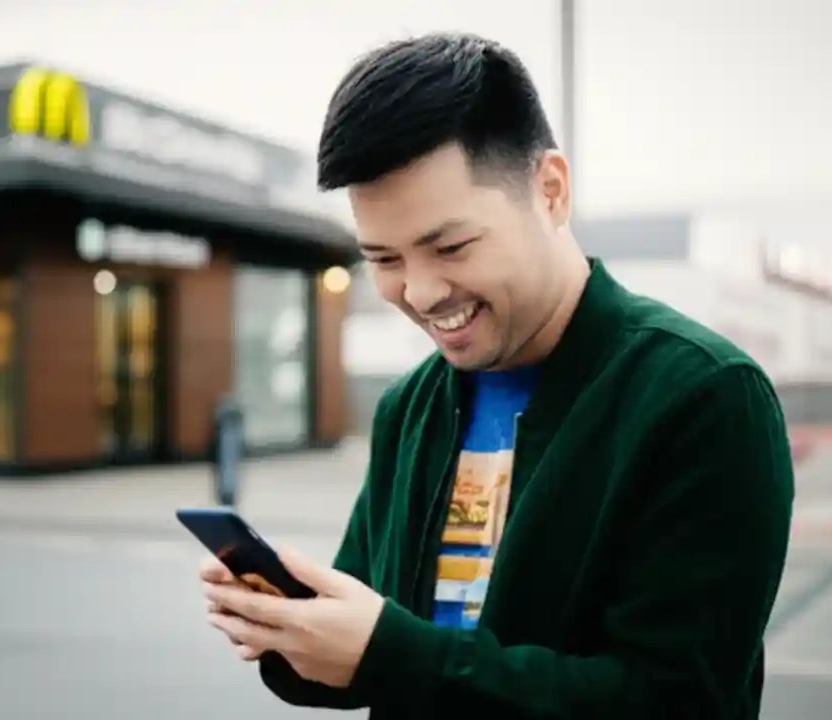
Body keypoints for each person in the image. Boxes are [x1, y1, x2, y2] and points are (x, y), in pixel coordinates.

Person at [200, 32, 794, 718]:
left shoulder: (703, 397)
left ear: (550, 191)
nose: (419, 293)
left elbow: (672, 702)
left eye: (450, 246)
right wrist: (295, 630)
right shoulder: (409, 407)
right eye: (384, 259)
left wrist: (387, 652)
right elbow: (376, 649)